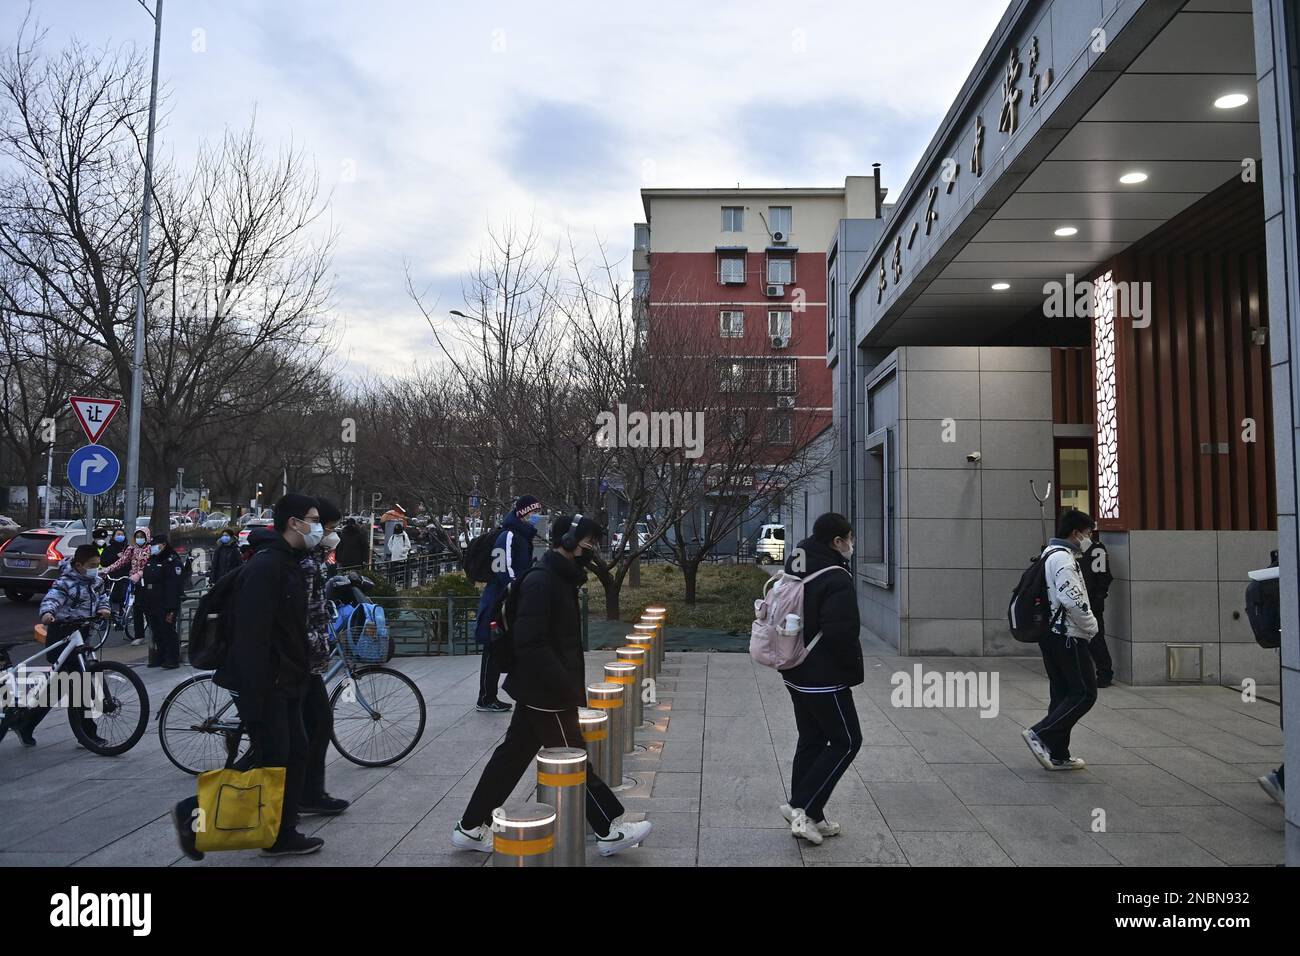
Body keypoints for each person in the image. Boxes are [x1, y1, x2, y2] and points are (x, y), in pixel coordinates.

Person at [451, 514, 652, 857]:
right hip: (546, 692)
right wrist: (564, 685)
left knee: (510, 759)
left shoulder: (560, 579)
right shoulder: (543, 582)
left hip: (540, 689)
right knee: (573, 761)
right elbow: (531, 643)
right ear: (569, 541)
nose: (592, 547)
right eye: (587, 540)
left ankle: (470, 826)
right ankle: (609, 828)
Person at [172, 493, 323, 860]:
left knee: (292, 752)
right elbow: (251, 633)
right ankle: (196, 813)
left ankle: (281, 832)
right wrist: (255, 694)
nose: (318, 528)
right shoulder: (267, 567)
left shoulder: (286, 562)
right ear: (294, 523)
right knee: (274, 754)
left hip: (285, 678)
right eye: (313, 519)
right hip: (266, 680)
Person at [778, 512, 863, 845]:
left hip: (794, 666)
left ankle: (801, 805)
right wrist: (848, 671)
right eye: (849, 538)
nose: (852, 544)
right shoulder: (836, 577)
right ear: (836, 541)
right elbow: (840, 632)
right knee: (846, 741)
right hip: (823, 675)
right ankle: (808, 812)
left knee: (812, 738)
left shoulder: (798, 560)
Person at [0, 544, 111, 747]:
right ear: (79, 565)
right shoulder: (65, 582)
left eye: (98, 564)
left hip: (80, 634)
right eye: (92, 565)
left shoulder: (96, 581)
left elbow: (102, 598)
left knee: (58, 687)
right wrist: (47, 613)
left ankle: (26, 724)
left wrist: (104, 608)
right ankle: (88, 734)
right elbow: (52, 599)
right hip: (62, 636)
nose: (96, 568)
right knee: (79, 683)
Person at [1022, 509, 1100, 771]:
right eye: (1088, 533)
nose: (1090, 538)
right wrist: (1091, 626)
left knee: (1062, 693)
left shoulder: (1048, 554)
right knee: (1084, 693)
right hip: (1068, 635)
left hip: (1051, 635)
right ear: (1076, 533)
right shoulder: (1064, 560)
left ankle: (1058, 753)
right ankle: (1040, 734)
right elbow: (1073, 600)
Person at [298, 497, 350, 817]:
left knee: (316, 725)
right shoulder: (300, 561)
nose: (331, 533)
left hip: (307, 660)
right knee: (290, 736)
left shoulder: (315, 557)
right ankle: (200, 807)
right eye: (328, 526)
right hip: (296, 661)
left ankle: (310, 793)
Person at [473, 495, 542, 713]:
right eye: (533, 512)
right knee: (493, 649)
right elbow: (505, 569)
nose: (536, 517)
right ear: (523, 513)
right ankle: (486, 697)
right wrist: (519, 589)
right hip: (500, 601)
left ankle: (499, 694)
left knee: (503, 647)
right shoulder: (510, 535)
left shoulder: (521, 534)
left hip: (508, 598)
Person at [139, 533, 185, 669]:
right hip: (151, 600)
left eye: (155, 545)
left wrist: (171, 607)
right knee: (156, 630)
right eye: (151, 545)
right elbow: (146, 580)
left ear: (164, 545)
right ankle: (160, 656)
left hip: (165, 601)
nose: (153, 547)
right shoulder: (152, 559)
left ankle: (172, 658)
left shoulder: (172, 561)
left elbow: (174, 585)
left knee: (167, 630)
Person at [104, 527, 152, 646]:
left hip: (147, 582)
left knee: (147, 607)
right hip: (134, 582)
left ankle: (155, 633)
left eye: (142, 537)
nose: (139, 539)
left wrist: (141, 573)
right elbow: (122, 561)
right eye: (137, 537)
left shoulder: (151, 549)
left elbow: (152, 565)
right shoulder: (131, 549)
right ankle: (139, 635)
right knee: (136, 607)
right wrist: (107, 569)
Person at [1080, 531, 1114, 688]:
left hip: (1093, 601)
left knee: (1096, 638)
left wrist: (1100, 597)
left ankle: (1104, 673)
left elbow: (1104, 576)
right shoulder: (1069, 550)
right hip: (1077, 600)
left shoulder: (1097, 549)